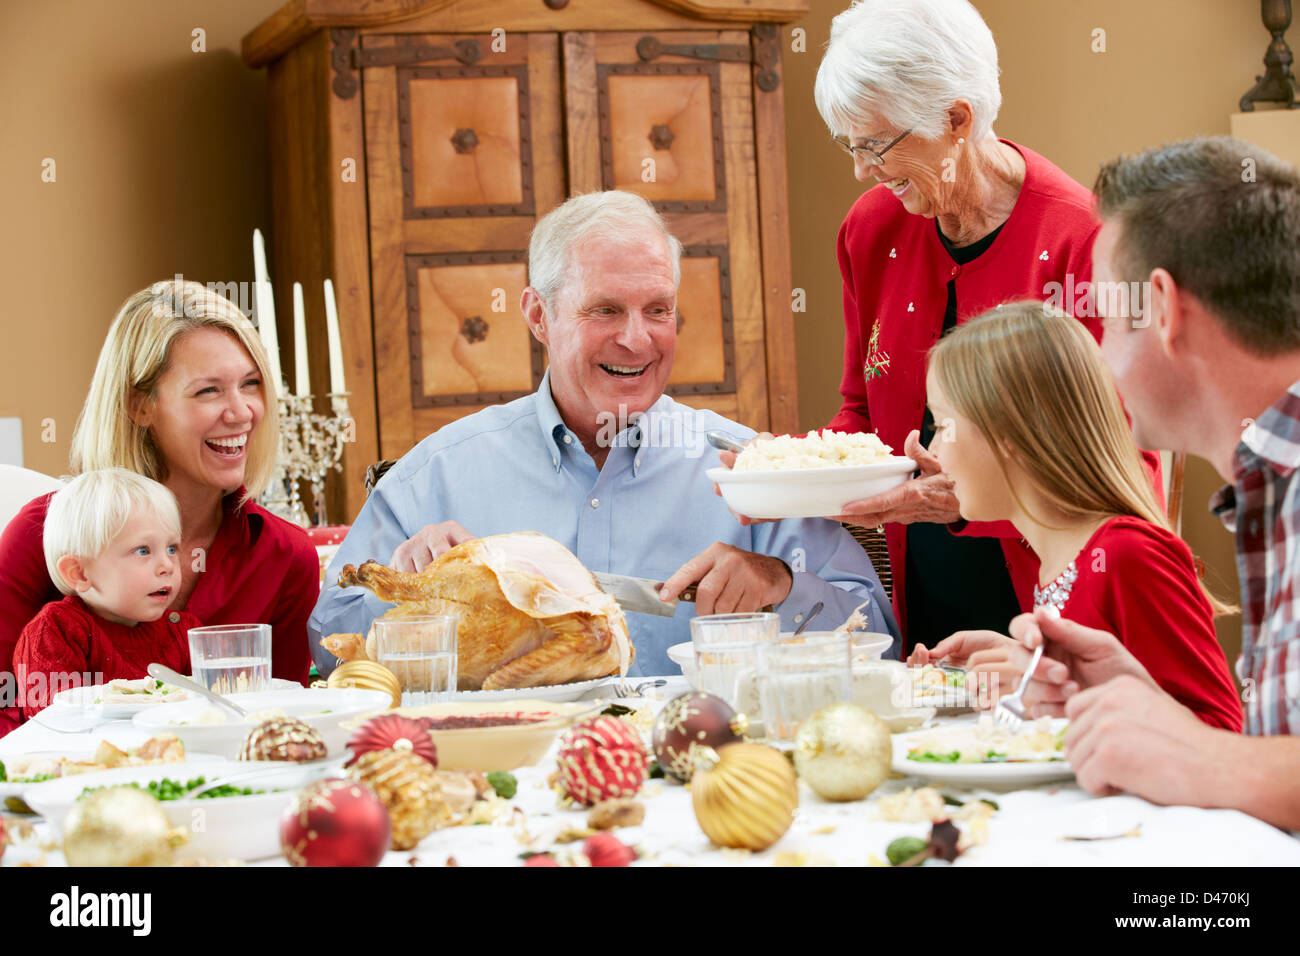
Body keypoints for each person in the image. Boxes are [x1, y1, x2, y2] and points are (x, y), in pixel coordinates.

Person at [310, 191, 896, 677]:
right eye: (606, 311)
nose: (637, 340)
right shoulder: (439, 473)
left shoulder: (754, 472)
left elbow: (879, 638)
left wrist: (782, 584)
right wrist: (410, 594)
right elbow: (327, 642)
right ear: (538, 315)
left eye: (658, 310)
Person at [793, 0, 1161, 651]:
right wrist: (784, 474)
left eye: (875, 145)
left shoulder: (1085, 241)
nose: (861, 170)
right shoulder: (870, 230)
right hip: (927, 606)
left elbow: (1128, 471)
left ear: (956, 118)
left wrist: (968, 501)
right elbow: (861, 413)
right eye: (850, 145)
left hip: (1064, 616)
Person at [996, 136, 1300, 830]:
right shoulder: (1271, 488)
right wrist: (1149, 707)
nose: (1099, 360)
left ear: (1161, 308)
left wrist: (1201, 756)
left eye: (1104, 319)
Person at [0, 280, 317, 736]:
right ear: (139, 405)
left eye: (251, 384)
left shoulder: (286, 556)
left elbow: (277, 723)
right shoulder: (40, 531)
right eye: (208, 391)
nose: (242, 411)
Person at [903, 302, 1240, 730]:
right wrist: (1024, 662)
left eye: (943, 426)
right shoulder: (1061, 559)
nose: (932, 452)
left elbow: (1220, 733)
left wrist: (1056, 693)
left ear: (1008, 434)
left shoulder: (1128, 556)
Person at [15, 469, 199, 719]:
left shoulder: (183, 631)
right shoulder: (55, 631)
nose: (167, 565)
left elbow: (211, 705)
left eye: (171, 548)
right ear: (79, 573)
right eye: (143, 551)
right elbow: (57, 717)